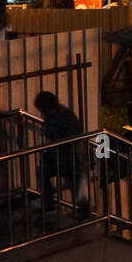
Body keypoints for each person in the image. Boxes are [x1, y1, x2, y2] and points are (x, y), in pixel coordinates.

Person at [33, 91, 91, 220]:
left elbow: (70, 140)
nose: (42, 114)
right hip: (60, 157)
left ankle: (84, 214)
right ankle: (49, 203)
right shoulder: (53, 116)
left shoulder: (65, 117)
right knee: (42, 171)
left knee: (77, 186)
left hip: (73, 158)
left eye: (43, 110)